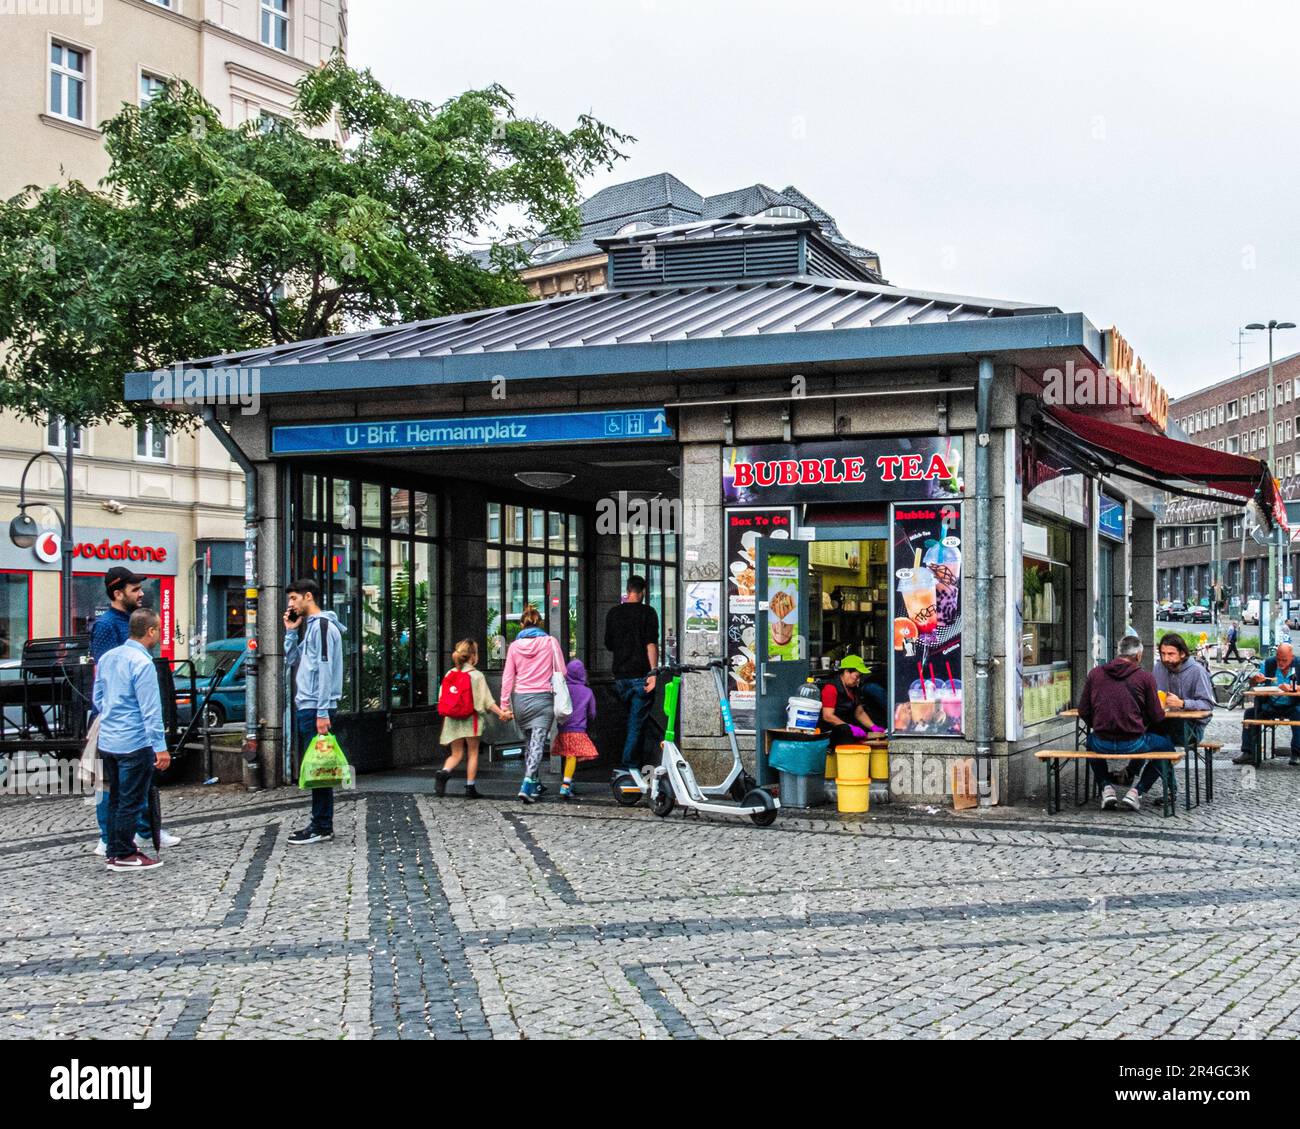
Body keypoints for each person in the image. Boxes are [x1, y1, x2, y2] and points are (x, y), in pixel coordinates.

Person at [91, 567, 180, 856]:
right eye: (134, 589)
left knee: (133, 784)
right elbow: (102, 677)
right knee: (115, 788)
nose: (141, 593)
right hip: (120, 722)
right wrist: (113, 712)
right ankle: (111, 838)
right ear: (118, 594)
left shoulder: (132, 622)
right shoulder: (107, 626)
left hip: (128, 722)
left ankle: (143, 830)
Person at [1077, 635, 1175, 812]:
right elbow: (1157, 717)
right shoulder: (1145, 678)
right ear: (1138, 656)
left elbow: (1083, 710)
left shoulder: (1095, 674)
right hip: (1133, 742)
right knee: (1167, 748)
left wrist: (1098, 725)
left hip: (1101, 741)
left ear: (1118, 652)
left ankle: (1106, 788)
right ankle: (1137, 792)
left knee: (1089, 742)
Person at [283, 578, 344, 843]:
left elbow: (326, 670)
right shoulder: (309, 628)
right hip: (307, 705)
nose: (290, 604)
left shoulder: (322, 627)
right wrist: (290, 631)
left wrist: (322, 713)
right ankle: (321, 824)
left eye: (294, 599)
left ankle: (321, 825)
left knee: (319, 769)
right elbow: (292, 660)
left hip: (315, 707)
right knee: (316, 767)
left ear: (308, 596)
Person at [500, 605, 566, 804]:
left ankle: (535, 782)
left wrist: (505, 705)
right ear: (540, 623)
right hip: (543, 699)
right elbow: (562, 670)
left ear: (522, 624)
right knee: (537, 741)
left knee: (530, 742)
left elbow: (508, 677)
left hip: (520, 700)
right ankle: (527, 783)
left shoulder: (513, 647)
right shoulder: (550, 642)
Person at [434, 639, 510, 799]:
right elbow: (487, 701)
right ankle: (470, 787)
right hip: (471, 720)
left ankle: (444, 772)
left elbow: (442, 697)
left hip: (452, 720)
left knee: (456, 754)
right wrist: (502, 714)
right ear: (473, 656)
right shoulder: (476, 676)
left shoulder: (450, 674)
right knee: (473, 753)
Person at [604, 575, 659, 770]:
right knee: (637, 723)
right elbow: (650, 644)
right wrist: (653, 672)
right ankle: (630, 768)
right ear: (643, 591)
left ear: (628, 591)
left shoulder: (613, 613)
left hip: (620, 677)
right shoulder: (648, 612)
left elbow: (608, 644)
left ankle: (638, 761)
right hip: (640, 677)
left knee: (631, 720)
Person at [1234, 641, 1300, 767]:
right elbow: (1253, 684)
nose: (1280, 663)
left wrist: (1295, 688)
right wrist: (1255, 680)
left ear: (1292, 657)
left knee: (1298, 713)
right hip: (1271, 704)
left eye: (1284, 660)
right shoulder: (1269, 664)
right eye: (1278, 659)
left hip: (1293, 705)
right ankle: (1249, 752)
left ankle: (1297, 752)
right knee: (1249, 713)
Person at [1153, 633, 1216, 747]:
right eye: (1163, 654)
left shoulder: (1197, 671)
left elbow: (1208, 704)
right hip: (1163, 722)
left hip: (1191, 727)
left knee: (1158, 736)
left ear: (1182, 654)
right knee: (1143, 731)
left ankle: (1165, 760)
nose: (1166, 658)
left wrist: (1183, 703)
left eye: (1171, 654)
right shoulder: (1159, 668)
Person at [554, 658, 599, 801]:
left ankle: (569, 780)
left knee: (568, 755)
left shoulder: (564, 688)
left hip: (563, 728)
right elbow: (592, 712)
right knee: (573, 755)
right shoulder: (587, 692)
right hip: (578, 729)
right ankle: (566, 785)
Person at [819, 656, 883, 750]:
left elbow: (859, 712)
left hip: (847, 728)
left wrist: (873, 727)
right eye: (856, 676)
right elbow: (828, 716)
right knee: (845, 730)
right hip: (831, 731)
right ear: (846, 672)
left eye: (860, 677)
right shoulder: (831, 688)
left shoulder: (854, 689)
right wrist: (849, 727)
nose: (858, 680)